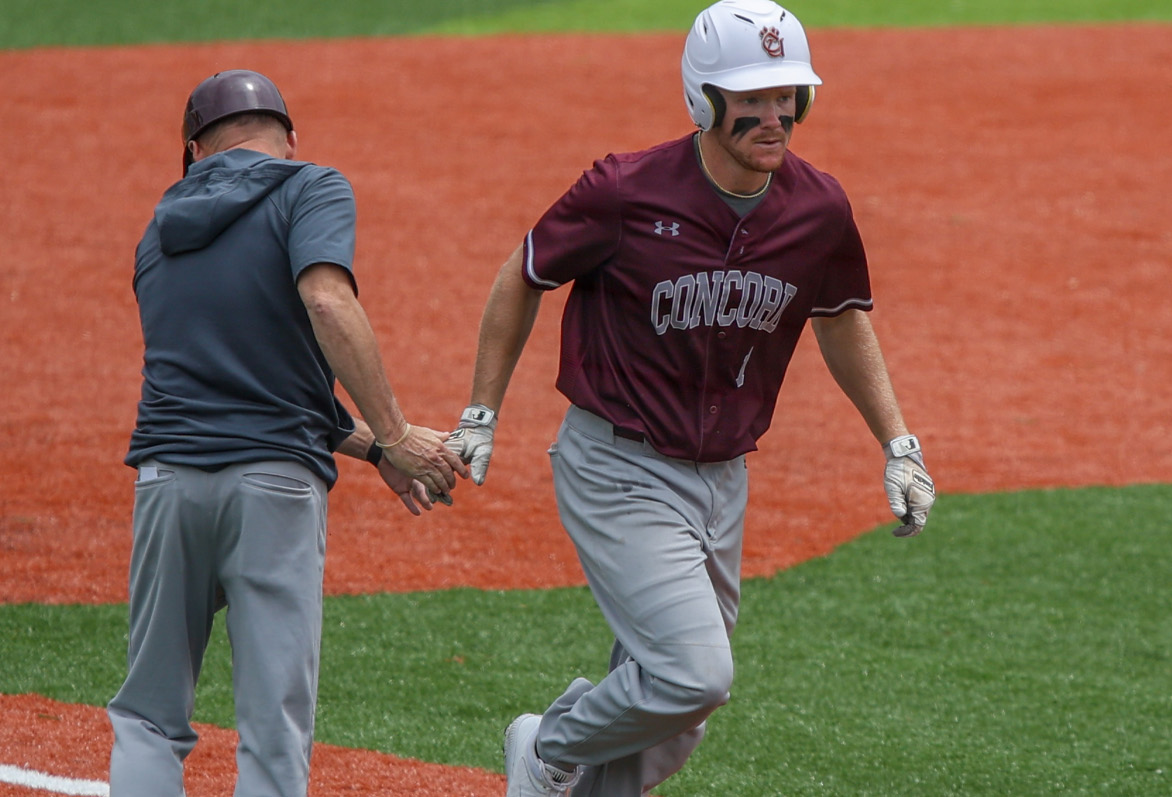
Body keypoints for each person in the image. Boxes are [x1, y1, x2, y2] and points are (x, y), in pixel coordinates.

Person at [447, 1, 937, 794]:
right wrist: (481, 411)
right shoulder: (624, 190)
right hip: (618, 465)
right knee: (693, 673)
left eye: (788, 95)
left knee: (676, 716)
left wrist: (898, 443)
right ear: (703, 99)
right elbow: (524, 275)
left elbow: (842, 320)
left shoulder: (818, 209)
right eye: (752, 99)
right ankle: (547, 744)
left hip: (723, 479)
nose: (775, 115)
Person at [107, 69, 469, 797]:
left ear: (193, 152)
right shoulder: (311, 187)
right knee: (273, 728)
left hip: (167, 480)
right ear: (289, 139)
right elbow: (326, 301)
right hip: (274, 484)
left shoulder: (158, 231)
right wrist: (396, 433)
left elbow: (251, 371)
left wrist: (374, 449)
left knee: (148, 716)